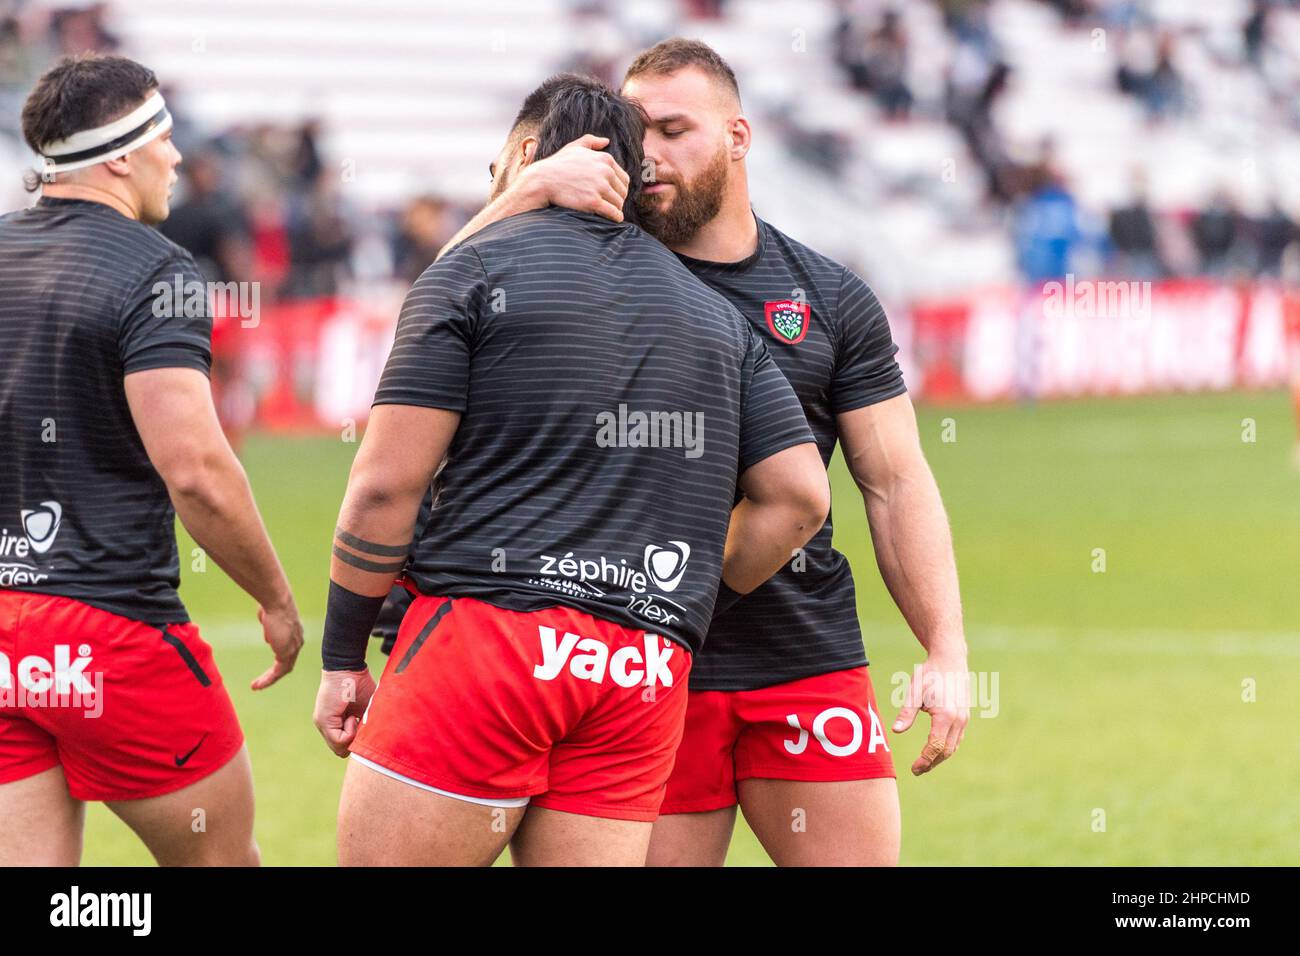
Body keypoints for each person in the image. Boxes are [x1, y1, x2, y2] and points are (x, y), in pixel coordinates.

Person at [436, 39, 969, 867]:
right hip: (635, 662)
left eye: (675, 129)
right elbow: (434, 318)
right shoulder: (587, 270)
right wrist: (528, 189)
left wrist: (945, 650)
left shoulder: (827, 296)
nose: (646, 155)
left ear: (739, 137)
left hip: (802, 652)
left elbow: (895, 482)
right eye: (633, 132)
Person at [312, 73, 828, 867]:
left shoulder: (474, 267)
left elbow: (385, 487)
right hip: (642, 667)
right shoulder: (719, 318)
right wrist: (681, 601)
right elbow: (800, 494)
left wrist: (343, 656)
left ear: (524, 155)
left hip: (486, 645)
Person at [0, 54, 303, 866]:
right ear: (123, 155)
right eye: (164, 135)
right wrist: (275, 600)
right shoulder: (156, 270)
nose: (176, 155)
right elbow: (198, 472)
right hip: (112, 633)